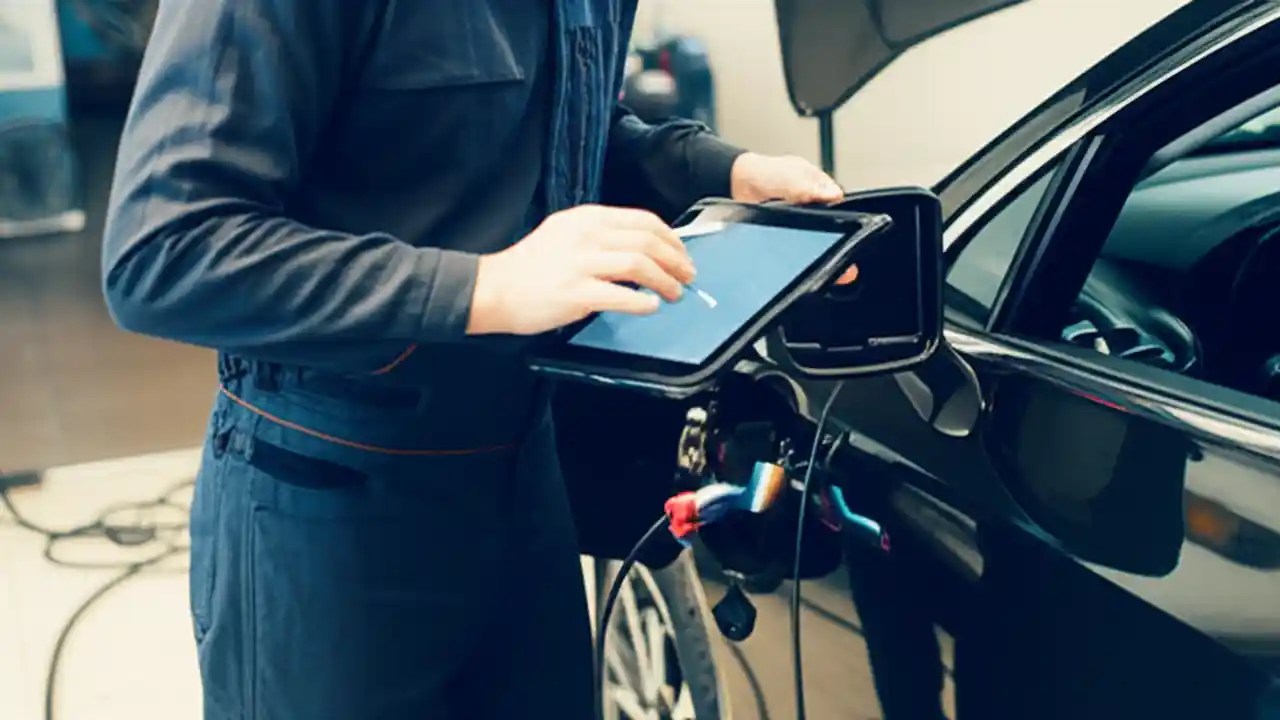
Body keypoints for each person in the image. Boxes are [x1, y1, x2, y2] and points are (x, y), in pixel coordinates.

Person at [101, 2, 842, 718]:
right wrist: (482, 287)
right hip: (333, 502)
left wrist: (718, 171)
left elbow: (550, 125)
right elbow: (164, 250)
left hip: (524, 478)